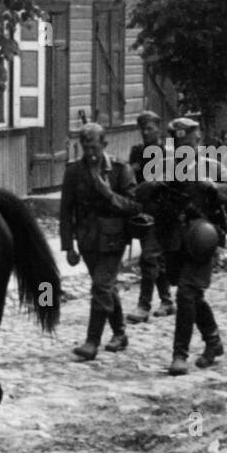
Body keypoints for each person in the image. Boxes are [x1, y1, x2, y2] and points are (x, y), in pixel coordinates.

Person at [136, 117, 227, 376]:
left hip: (201, 241)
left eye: (188, 144)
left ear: (197, 141)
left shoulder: (211, 166)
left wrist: (215, 187)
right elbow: (138, 194)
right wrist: (154, 185)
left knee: (185, 295)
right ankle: (213, 341)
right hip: (173, 242)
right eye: (178, 146)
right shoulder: (162, 167)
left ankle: (180, 355)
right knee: (192, 296)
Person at [60, 123, 139, 360]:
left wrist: (108, 194)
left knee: (101, 288)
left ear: (104, 145)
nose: (90, 152)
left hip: (114, 240)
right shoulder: (74, 171)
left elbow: (134, 207)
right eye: (85, 147)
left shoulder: (120, 169)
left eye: (94, 146)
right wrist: (69, 246)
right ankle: (120, 333)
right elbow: (66, 210)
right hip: (87, 240)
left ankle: (92, 342)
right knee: (106, 287)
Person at [126, 111, 175, 323]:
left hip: (163, 213)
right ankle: (167, 301)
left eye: (150, 128)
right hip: (143, 214)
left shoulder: (168, 152)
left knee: (148, 258)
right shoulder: (137, 152)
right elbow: (130, 182)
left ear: (159, 128)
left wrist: (154, 182)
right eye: (143, 129)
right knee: (156, 258)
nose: (146, 133)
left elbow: (173, 181)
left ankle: (143, 306)